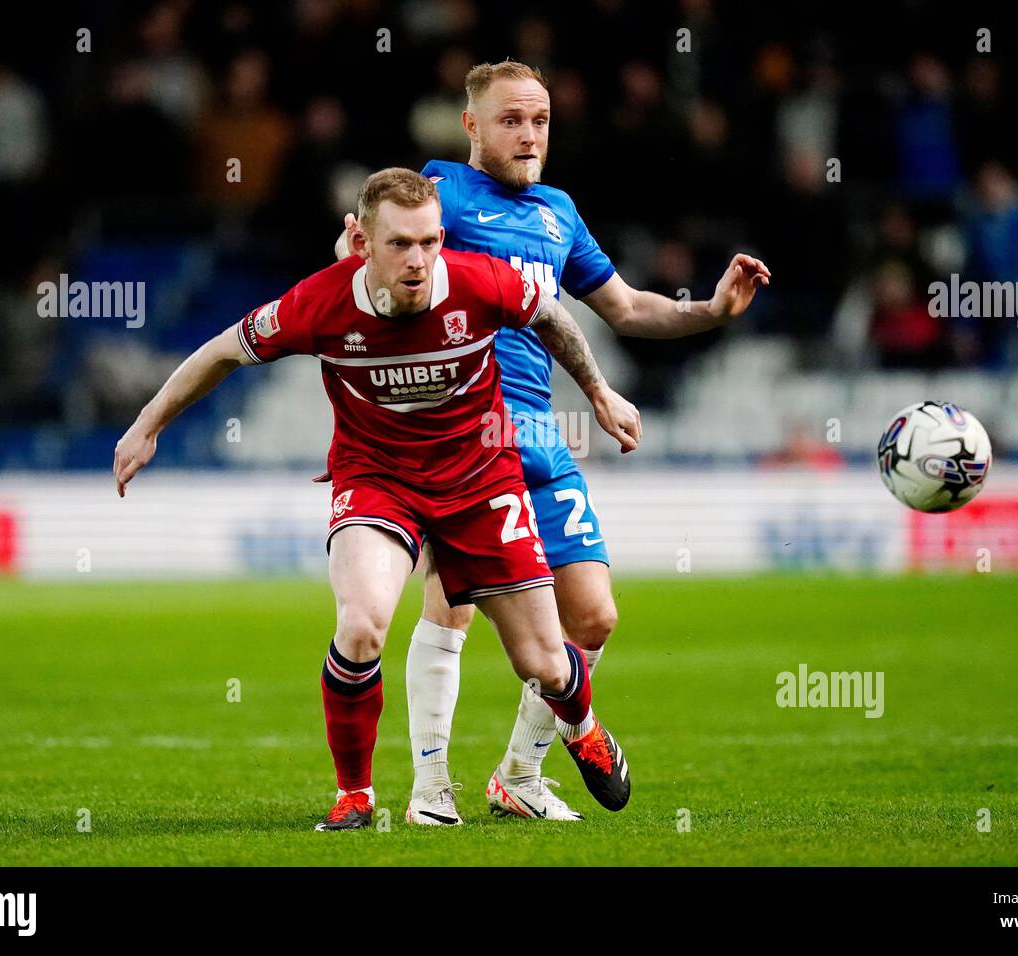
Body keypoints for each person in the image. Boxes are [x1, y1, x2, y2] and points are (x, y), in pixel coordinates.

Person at [114, 168, 641, 829]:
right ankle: (356, 795)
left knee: (541, 662)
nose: (418, 260)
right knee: (361, 626)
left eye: (428, 242)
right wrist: (147, 424)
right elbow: (223, 351)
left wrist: (598, 393)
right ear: (359, 241)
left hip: (482, 480)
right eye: (399, 244)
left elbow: (555, 319)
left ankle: (581, 722)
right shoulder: (320, 304)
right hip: (377, 480)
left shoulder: (479, 284)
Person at [336, 61, 770, 823]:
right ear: (472, 126)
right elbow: (380, 251)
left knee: (593, 616)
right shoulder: (442, 192)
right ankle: (430, 790)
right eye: (510, 120)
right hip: (458, 437)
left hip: (538, 435)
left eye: (538, 119)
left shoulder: (557, 212)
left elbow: (628, 308)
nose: (529, 133)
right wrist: (350, 256)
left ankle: (518, 775)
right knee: (452, 607)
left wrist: (709, 310)